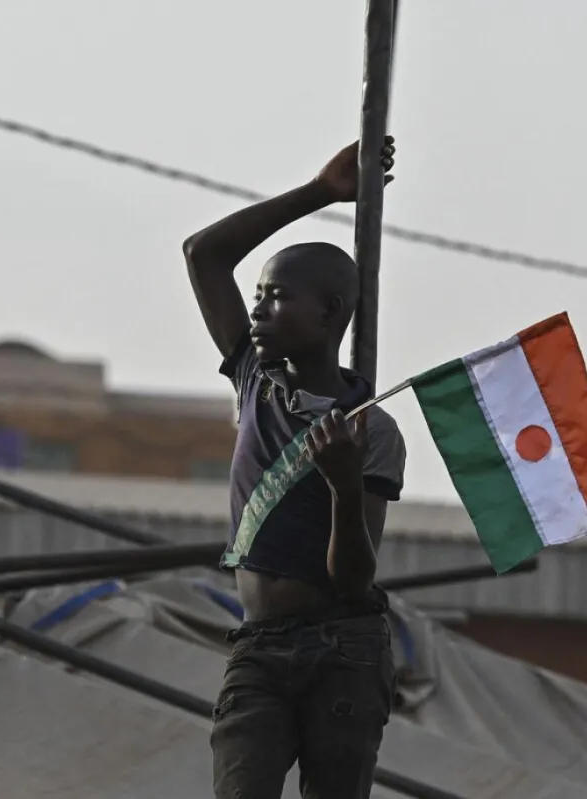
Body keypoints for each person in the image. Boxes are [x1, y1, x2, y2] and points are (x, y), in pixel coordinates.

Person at [183, 137, 406, 799]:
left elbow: (353, 578)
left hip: (343, 646)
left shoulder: (370, 432)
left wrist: (343, 486)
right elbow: (203, 253)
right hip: (259, 644)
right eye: (257, 295)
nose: (258, 310)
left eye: (277, 297)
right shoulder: (256, 382)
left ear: (329, 312)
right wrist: (320, 191)